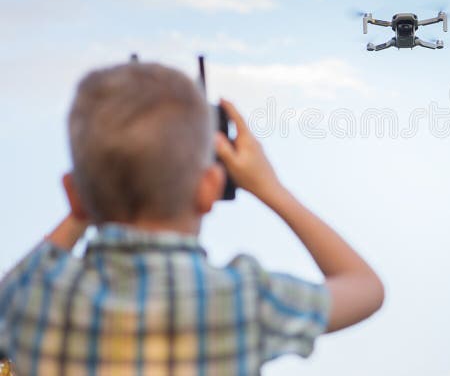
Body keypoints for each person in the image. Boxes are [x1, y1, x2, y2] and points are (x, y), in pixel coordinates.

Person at [0, 61, 384, 374]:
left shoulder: (33, 295)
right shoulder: (246, 301)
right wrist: (269, 187)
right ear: (210, 187)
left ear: (73, 194)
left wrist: (86, 202)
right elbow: (365, 287)